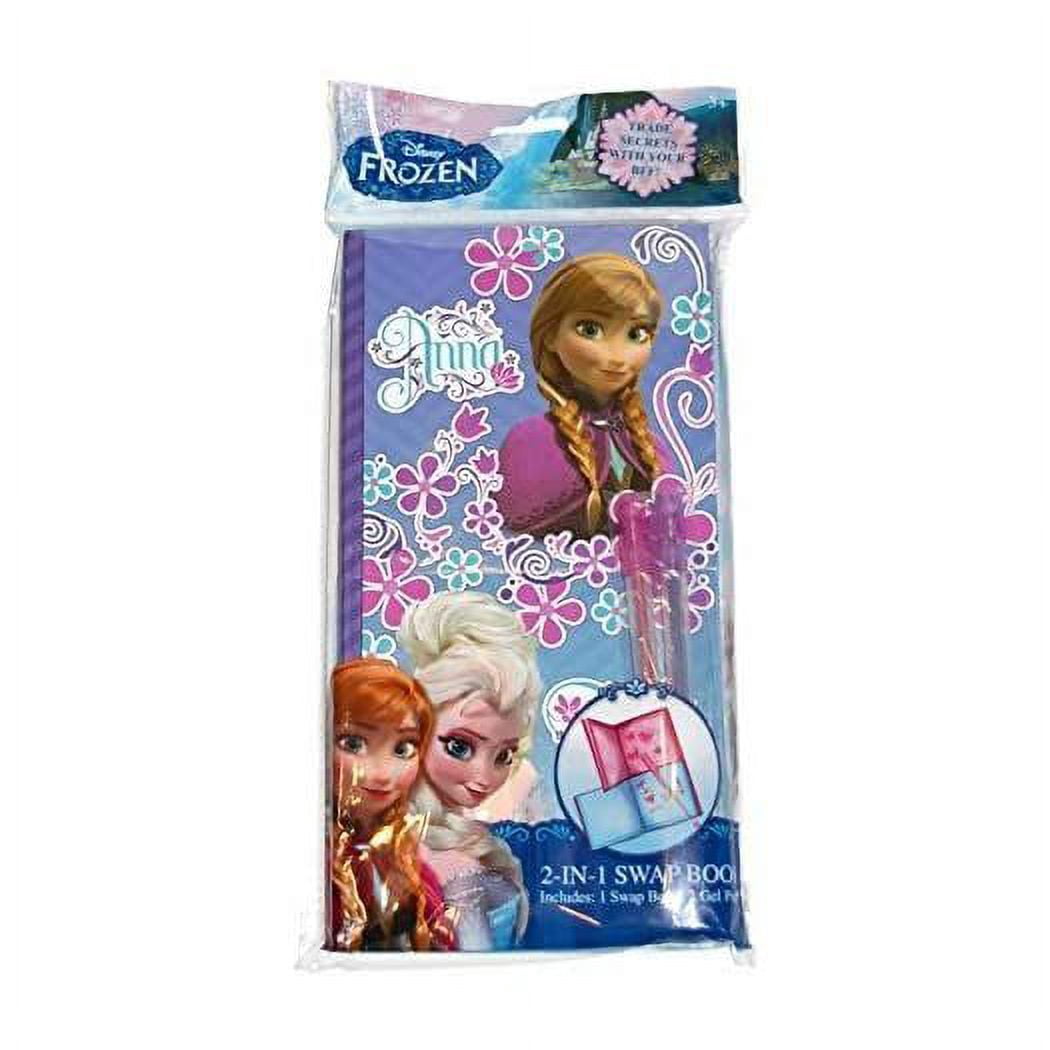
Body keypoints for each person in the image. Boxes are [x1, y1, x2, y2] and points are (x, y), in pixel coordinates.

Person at [399, 591, 544, 949]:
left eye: (504, 755)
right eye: (459, 747)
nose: (483, 777)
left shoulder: (444, 841)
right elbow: (473, 970)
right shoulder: (451, 866)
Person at [495, 253, 669, 538]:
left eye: (636, 334)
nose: (618, 356)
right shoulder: (529, 442)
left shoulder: (652, 446)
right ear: (550, 335)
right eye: (591, 329)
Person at [327, 657, 454, 951]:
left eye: (403, 748)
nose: (383, 774)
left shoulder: (402, 857)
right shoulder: (317, 862)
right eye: (353, 743)